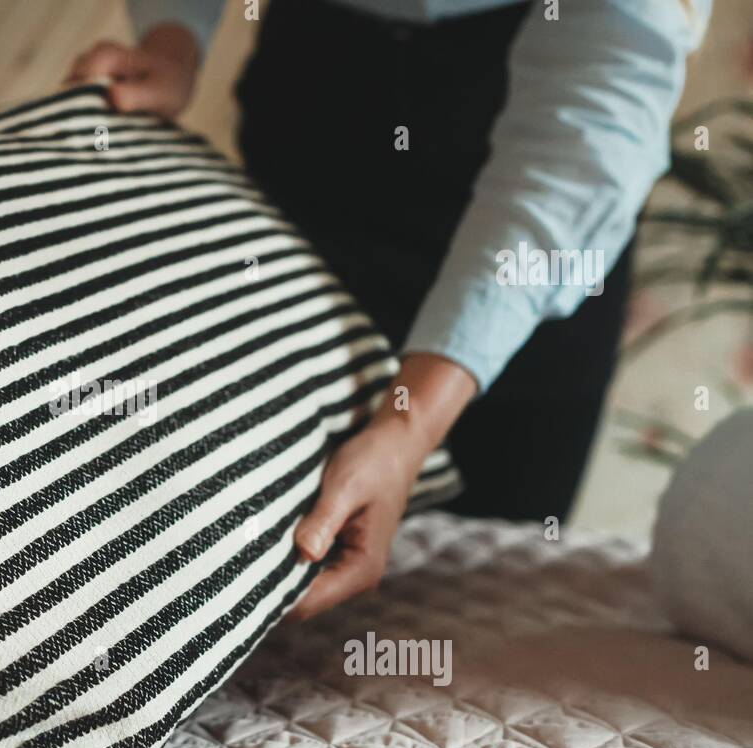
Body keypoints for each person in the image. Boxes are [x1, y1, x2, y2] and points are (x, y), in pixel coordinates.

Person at [68, 0, 710, 620]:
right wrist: (171, 38)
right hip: (315, 106)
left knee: (485, 609)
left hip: (529, 199)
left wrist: (408, 430)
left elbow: (582, 149)